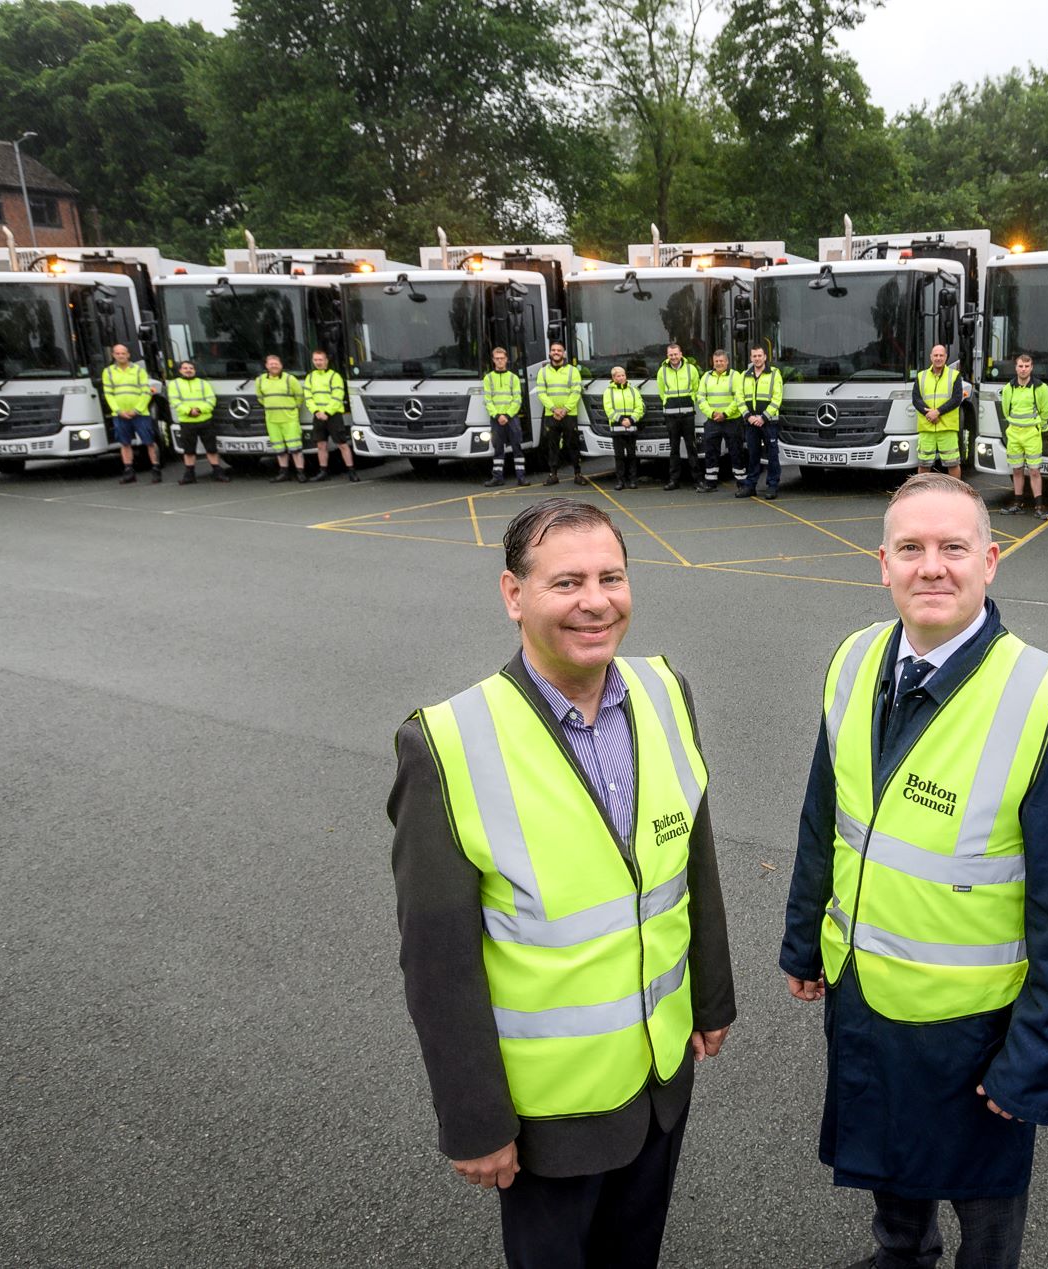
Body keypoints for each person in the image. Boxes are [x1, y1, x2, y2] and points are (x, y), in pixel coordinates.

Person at [390, 497, 737, 1269]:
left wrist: (711, 998)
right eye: (567, 582)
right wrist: (475, 1120)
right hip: (551, 1110)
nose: (596, 601)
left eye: (611, 577)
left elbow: (693, 859)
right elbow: (439, 962)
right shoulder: (448, 743)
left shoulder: (664, 691)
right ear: (514, 595)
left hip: (660, 1073)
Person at [782, 473, 1048, 1269]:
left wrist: (1032, 1063)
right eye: (911, 548)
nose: (931, 566)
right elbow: (826, 814)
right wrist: (803, 938)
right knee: (888, 1150)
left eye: (953, 547)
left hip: (976, 1023)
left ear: (989, 562)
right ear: (883, 564)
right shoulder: (856, 659)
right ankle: (902, 1253)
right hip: (867, 985)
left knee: (984, 1197)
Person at [996, 352, 1048, 520]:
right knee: (1017, 470)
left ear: (1031, 368)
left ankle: (1039, 507)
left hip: (1032, 434)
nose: (1023, 369)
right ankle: (1018, 504)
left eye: (1027, 366)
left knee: (1034, 471)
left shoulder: (1040, 388)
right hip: (1014, 434)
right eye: (1020, 366)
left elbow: (1046, 410)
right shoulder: (1008, 388)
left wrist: (1038, 426)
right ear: (1016, 368)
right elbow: (1006, 411)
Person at [102, 343, 162, 485]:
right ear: (113, 355)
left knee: (149, 442)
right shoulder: (108, 372)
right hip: (120, 415)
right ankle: (129, 472)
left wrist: (137, 410)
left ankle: (156, 469)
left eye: (123, 353)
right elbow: (108, 393)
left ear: (128, 355)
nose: (121, 356)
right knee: (124, 443)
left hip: (140, 414)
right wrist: (118, 411)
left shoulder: (138, 370)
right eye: (117, 353)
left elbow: (146, 391)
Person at [166, 360, 230, 484]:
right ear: (180, 371)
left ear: (195, 370)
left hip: (205, 420)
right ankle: (189, 475)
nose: (188, 370)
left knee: (211, 448)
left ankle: (217, 472)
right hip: (187, 422)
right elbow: (174, 401)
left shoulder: (203, 383)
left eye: (191, 368)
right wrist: (189, 411)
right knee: (189, 450)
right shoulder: (174, 384)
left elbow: (211, 400)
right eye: (185, 368)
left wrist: (200, 410)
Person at [305, 348, 359, 483]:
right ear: (312, 361)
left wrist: (327, 412)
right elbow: (308, 397)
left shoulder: (335, 376)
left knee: (342, 444)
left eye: (320, 359)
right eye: (315, 360)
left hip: (333, 415)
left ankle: (351, 471)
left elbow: (338, 396)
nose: (318, 362)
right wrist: (316, 412)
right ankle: (323, 471)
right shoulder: (310, 377)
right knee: (321, 445)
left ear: (326, 361)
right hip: (318, 416)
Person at [694, 350, 745, 494]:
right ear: (713, 362)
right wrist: (711, 413)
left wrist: (725, 414)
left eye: (721, 361)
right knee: (711, 452)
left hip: (732, 420)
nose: (719, 363)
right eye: (716, 361)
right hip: (712, 421)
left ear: (727, 362)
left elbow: (739, 398)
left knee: (736, 452)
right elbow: (701, 398)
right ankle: (710, 483)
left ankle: (742, 483)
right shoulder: (706, 377)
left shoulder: (735, 376)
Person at [538, 341, 586, 486]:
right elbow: (541, 393)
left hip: (569, 414)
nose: (556, 352)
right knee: (552, 446)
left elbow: (576, 391)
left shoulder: (573, 371)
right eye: (553, 350)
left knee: (573, 444)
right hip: (551, 414)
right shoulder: (543, 372)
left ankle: (578, 474)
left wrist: (565, 409)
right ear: (550, 353)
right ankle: (553, 475)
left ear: (564, 353)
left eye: (559, 350)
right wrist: (554, 409)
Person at [739, 345, 783, 500]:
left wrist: (763, 417)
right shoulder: (744, 375)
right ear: (751, 358)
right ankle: (750, 486)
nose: (757, 359)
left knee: (772, 455)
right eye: (754, 356)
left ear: (765, 357)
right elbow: (739, 398)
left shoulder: (774, 374)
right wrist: (748, 416)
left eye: (759, 356)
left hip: (769, 423)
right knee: (753, 455)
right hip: (751, 423)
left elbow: (777, 398)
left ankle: (772, 486)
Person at [913, 344, 965, 478]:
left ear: (946, 357)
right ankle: (923, 490)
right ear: (931, 357)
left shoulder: (954, 375)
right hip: (927, 428)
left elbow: (957, 398)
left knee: (952, 463)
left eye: (941, 355)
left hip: (947, 428)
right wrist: (928, 414)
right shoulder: (921, 376)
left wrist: (938, 412)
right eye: (935, 355)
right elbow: (916, 399)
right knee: (924, 464)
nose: (938, 358)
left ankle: (955, 491)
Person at [256, 354, 309, 483]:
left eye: (276, 363)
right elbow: (260, 398)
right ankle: (284, 472)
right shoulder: (260, 380)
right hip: (272, 420)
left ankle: (300, 472)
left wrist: (292, 408)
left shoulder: (290, 379)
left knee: (295, 448)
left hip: (289, 419)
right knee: (279, 449)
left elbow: (299, 396)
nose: (274, 366)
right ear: (266, 366)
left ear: (281, 365)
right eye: (271, 364)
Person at [656, 343, 700, 492]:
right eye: (671, 355)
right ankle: (674, 480)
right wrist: (668, 403)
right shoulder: (662, 371)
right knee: (673, 449)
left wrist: (690, 400)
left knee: (691, 448)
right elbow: (662, 392)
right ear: (667, 356)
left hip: (688, 415)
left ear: (681, 354)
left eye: (676, 354)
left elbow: (696, 388)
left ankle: (697, 479)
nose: (673, 357)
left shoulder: (691, 369)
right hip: (671, 416)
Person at [483, 346, 529, 488]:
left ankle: (521, 478)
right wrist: (497, 415)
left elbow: (517, 399)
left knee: (517, 447)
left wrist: (507, 415)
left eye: (502, 358)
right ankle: (497, 477)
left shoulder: (513, 378)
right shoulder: (488, 378)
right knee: (498, 449)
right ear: (493, 360)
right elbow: (487, 400)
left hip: (511, 418)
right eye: (497, 358)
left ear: (506, 359)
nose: (500, 361)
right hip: (496, 418)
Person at [602, 365, 646, 490]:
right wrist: (621, 419)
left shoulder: (633, 390)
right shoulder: (608, 392)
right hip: (617, 429)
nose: (621, 378)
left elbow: (639, 407)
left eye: (623, 375)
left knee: (632, 456)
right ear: (613, 378)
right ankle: (620, 481)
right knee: (619, 456)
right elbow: (608, 409)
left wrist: (631, 420)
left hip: (631, 428)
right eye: (618, 376)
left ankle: (633, 480)